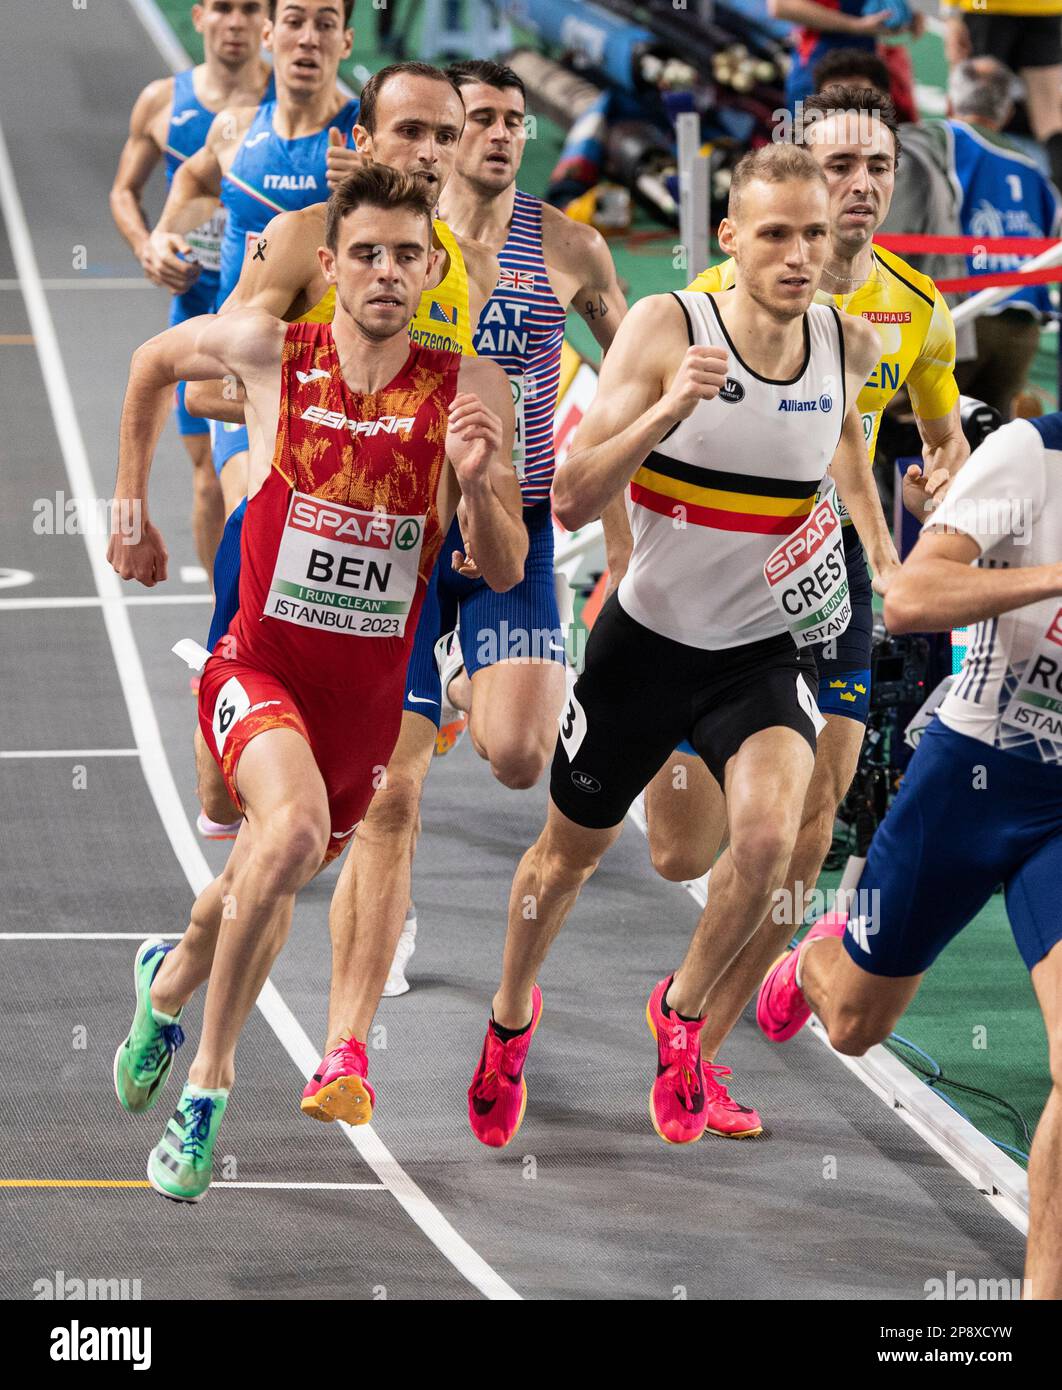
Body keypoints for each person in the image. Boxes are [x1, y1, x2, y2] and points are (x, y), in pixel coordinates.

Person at [467, 144, 896, 1151]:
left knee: (772, 840)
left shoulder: (848, 343)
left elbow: (837, 447)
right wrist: (670, 408)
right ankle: (511, 1017)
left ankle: (683, 1014)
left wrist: (877, 545)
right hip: (645, 648)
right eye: (776, 234)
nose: (799, 255)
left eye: (814, 235)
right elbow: (571, 495)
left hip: (762, 653)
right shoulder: (670, 326)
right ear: (730, 239)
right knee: (565, 861)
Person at [108, 166, 525, 1202]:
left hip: (361, 710)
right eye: (367, 254)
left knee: (262, 876)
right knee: (289, 835)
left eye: (406, 256)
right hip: (258, 667)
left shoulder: (471, 390)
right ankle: (209, 1087)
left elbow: (504, 566)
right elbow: (153, 362)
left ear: (432, 269)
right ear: (331, 265)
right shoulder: (272, 352)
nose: (386, 272)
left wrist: (478, 488)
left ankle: (166, 981)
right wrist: (129, 506)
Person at [602, 86, 968, 1138]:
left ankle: (697, 1046)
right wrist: (624, 561)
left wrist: (936, 495)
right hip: (705, 585)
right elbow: (625, 434)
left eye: (877, 169)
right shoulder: (712, 303)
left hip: (826, 584)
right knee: (683, 851)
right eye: (838, 167)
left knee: (810, 830)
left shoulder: (915, 310)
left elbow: (937, 440)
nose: (859, 187)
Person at [758, 411, 1062, 1301]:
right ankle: (814, 960)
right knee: (856, 1025)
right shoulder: (1031, 455)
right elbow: (910, 598)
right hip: (973, 774)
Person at [142, 0, 362, 520]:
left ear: (346, 42)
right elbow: (194, 178)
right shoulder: (235, 129)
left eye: (326, 24)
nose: (308, 38)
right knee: (240, 507)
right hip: (242, 358)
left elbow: (430, 208)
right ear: (269, 34)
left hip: (332, 377)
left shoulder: (366, 136)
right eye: (295, 21)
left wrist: (373, 184)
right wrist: (165, 233)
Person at [109, 0, 272, 576]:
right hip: (198, 308)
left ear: (267, 22)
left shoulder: (293, 105)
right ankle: (220, 605)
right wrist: (148, 244)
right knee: (208, 481)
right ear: (200, 16)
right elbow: (124, 190)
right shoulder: (162, 101)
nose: (236, 22)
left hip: (269, 315)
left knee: (268, 484)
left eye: (250, 9)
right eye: (223, 8)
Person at [944, 57, 1062, 421]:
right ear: (1008, 111)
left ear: (950, 101)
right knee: (989, 435)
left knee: (925, 430)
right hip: (1022, 324)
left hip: (964, 313)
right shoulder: (1033, 167)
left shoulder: (943, 141)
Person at [943, 0, 1062, 190]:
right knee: (1049, 118)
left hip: (984, 6)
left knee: (973, 113)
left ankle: (963, 190)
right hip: (1046, 7)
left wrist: (950, 13)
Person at [769, 0, 921, 115]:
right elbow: (781, 6)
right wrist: (856, 25)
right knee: (814, 143)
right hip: (818, 70)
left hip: (865, 68)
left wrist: (906, 15)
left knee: (866, 142)